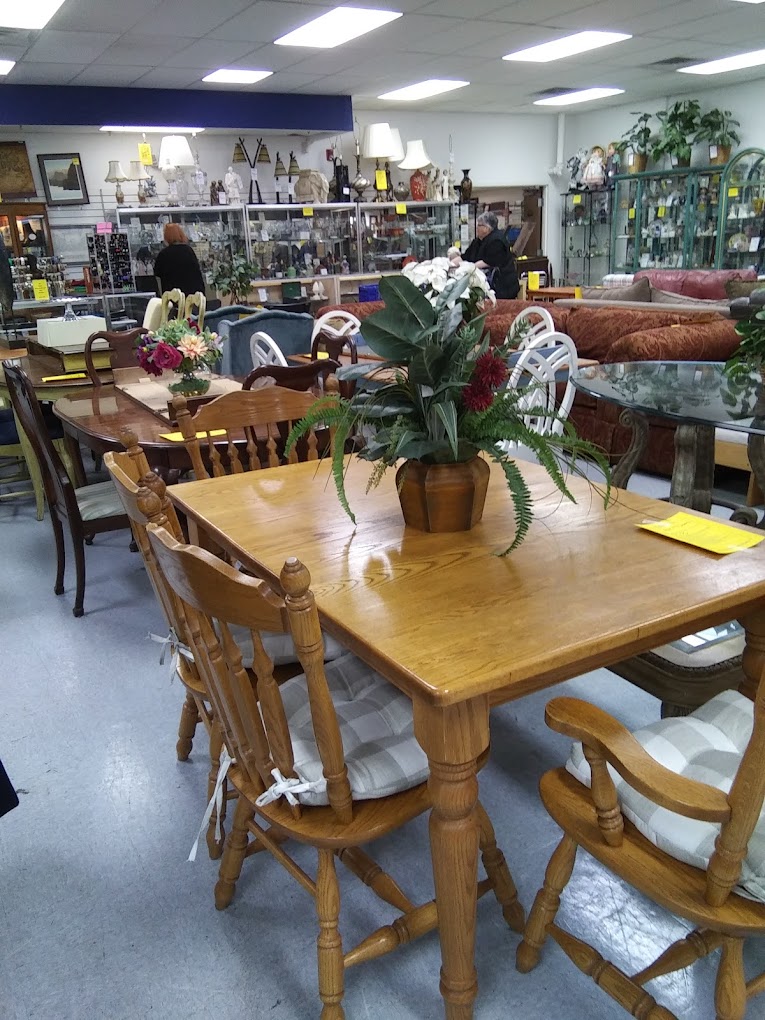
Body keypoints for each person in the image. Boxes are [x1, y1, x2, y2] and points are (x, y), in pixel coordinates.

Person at [463, 211, 519, 299]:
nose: (476, 228)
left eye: (479, 225)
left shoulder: (497, 241)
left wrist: (469, 268)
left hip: (501, 286)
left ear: (486, 228)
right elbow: (465, 257)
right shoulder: (478, 241)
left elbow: (489, 262)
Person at [153, 224, 205, 297]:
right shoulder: (188, 251)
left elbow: (157, 273)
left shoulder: (163, 254)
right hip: (192, 294)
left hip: (173, 295)